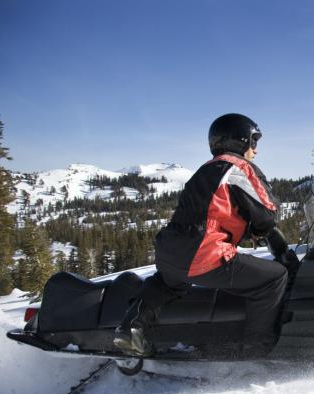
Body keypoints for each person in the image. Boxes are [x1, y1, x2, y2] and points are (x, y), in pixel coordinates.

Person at [113, 113, 288, 357]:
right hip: (204, 252)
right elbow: (267, 213)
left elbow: (208, 213)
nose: (255, 150)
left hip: (171, 251)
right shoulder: (239, 167)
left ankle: (129, 328)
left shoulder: (206, 170)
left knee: (168, 283)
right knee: (275, 277)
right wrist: (259, 229)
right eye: (254, 141)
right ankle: (257, 349)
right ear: (240, 140)